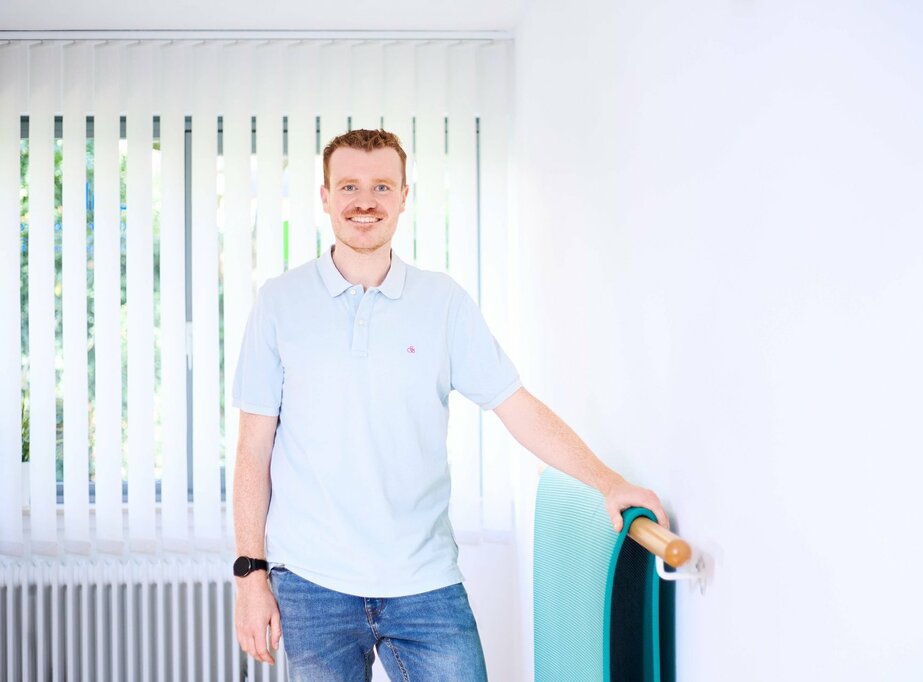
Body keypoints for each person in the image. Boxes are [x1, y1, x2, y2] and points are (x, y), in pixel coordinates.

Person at [231, 129, 668, 681]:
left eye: (381, 186)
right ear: (325, 196)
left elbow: (516, 407)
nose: (365, 201)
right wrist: (251, 576)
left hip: (424, 581)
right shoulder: (279, 302)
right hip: (312, 582)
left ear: (403, 196)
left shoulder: (443, 302)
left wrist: (609, 482)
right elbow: (253, 449)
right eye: (348, 186)